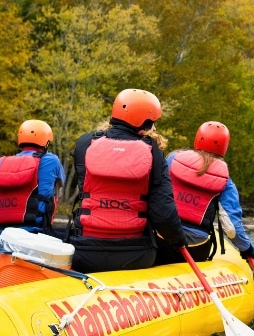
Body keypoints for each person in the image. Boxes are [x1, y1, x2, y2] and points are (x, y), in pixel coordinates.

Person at [66, 89, 198, 272]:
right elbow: (163, 213)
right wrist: (178, 240)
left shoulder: (84, 144)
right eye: (152, 123)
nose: (154, 128)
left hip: (85, 253)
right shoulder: (154, 152)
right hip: (136, 255)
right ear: (142, 122)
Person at [160, 121, 254, 263]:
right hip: (196, 249)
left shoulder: (172, 159)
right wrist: (247, 248)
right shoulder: (226, 182)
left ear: (198, 139)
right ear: (224, 147)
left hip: (160, 242)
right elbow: (231, 228)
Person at [0, 119, 65, 234]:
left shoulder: (2, 163)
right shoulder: (50, 160)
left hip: (0, 232)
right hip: (35, 231)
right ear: (46, 143)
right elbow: (60, 185)